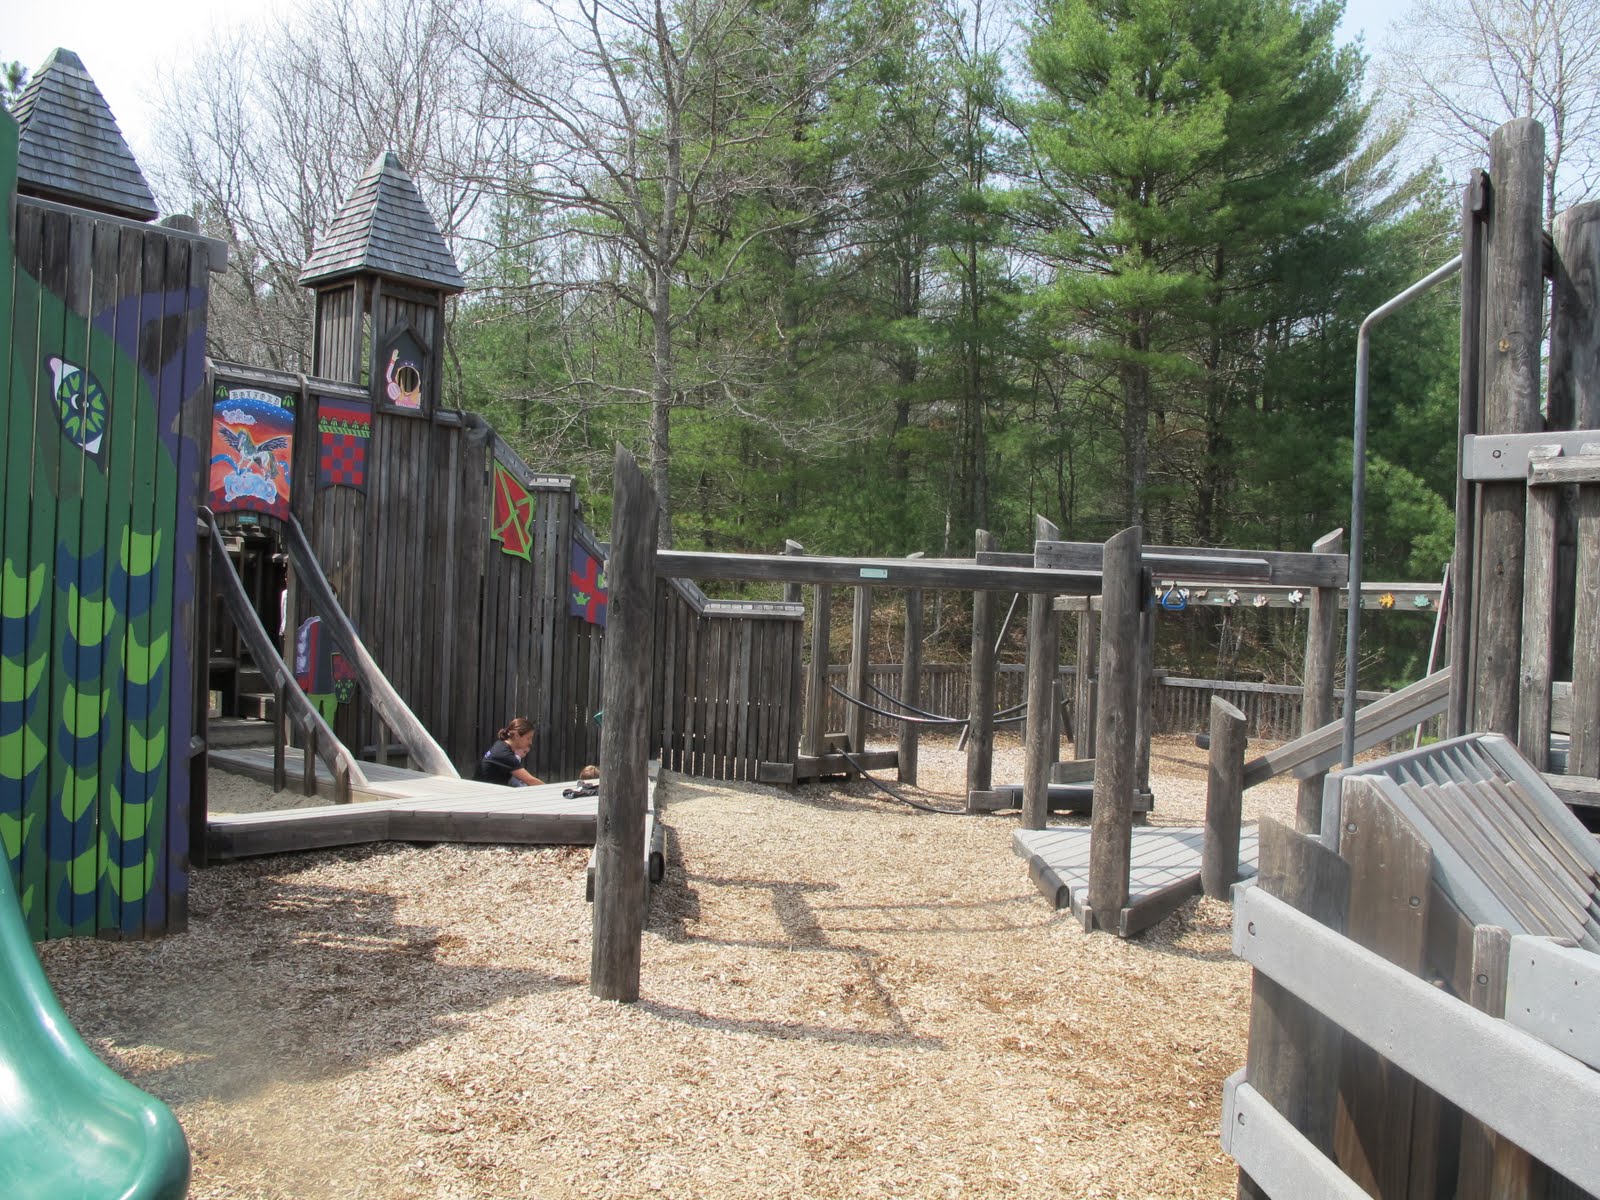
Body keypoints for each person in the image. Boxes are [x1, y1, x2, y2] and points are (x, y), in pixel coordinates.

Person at [475, 718, 544, 787]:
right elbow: (531, 781)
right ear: (517, 736)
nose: (530, 742)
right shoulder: (505, 755)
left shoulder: (501, 744)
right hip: (482, 793)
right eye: (528, 738)